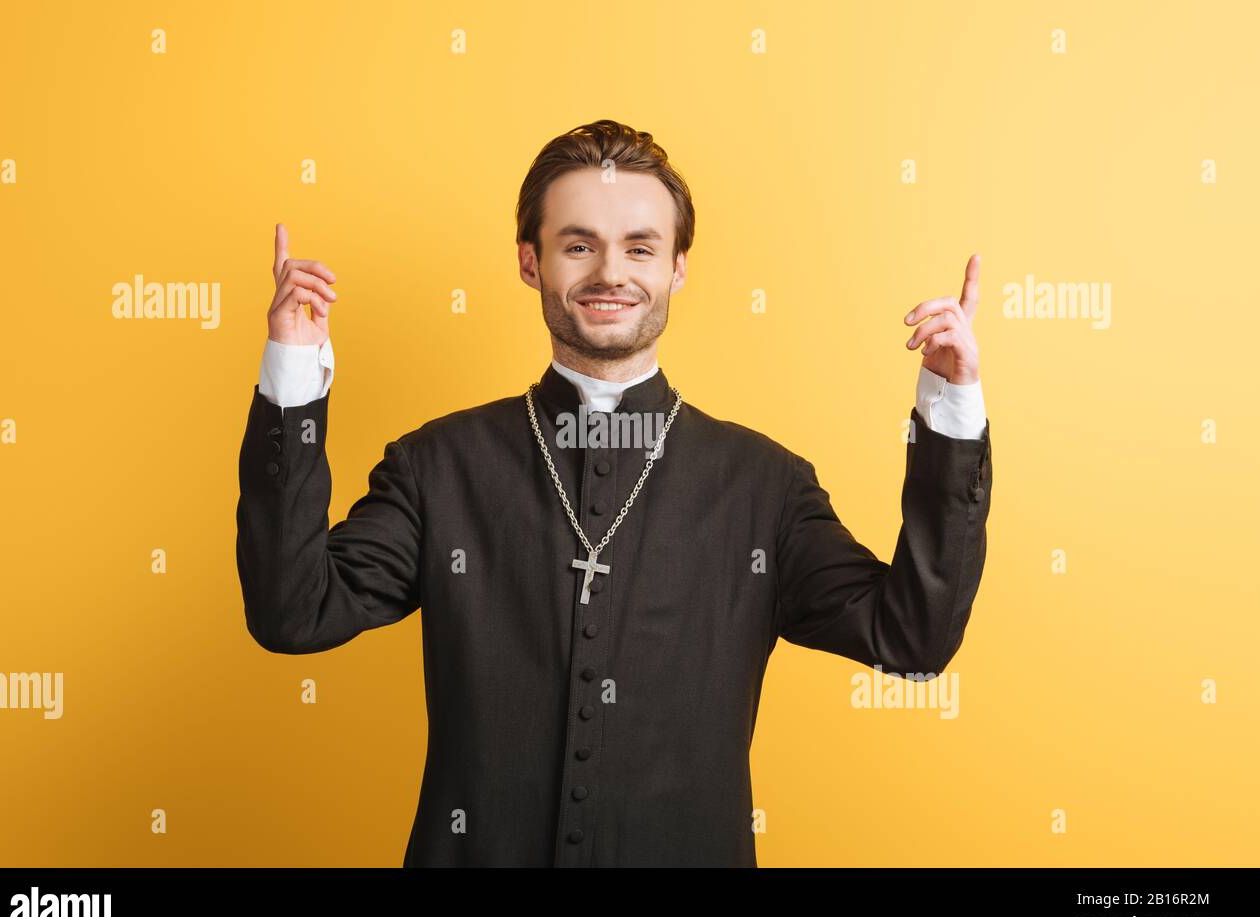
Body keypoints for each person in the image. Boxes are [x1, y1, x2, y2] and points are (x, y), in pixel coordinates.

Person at [236, 119, 992, 867]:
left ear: (678, 268)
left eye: (640, 247)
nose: (610, 273)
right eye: (578, 244)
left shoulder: (765, 487)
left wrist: (950, 411)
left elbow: (912, 639)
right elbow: (294, 611)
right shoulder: (439, 466)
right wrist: (293, 375)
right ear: (531, 263)